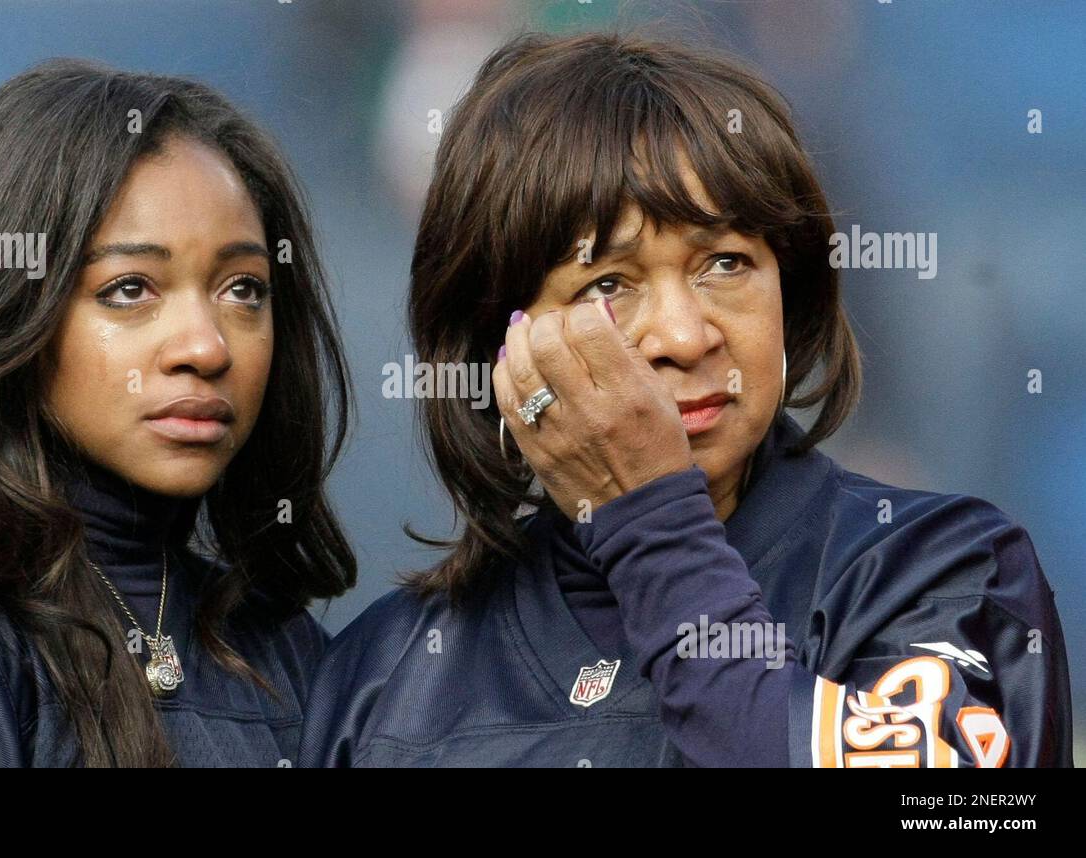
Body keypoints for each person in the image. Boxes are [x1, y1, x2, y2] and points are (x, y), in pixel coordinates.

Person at [300, 32, 1072, 767]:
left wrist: (651, 528)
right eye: (608, 284)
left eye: (727, 264)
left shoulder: (945, 575)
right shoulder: (384, 676)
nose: (684, 334)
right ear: (502, 348)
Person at [0, 59, 354, 767]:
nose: (206, 347)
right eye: (129, 289)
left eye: (243, 289)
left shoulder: (293, 653)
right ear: (10, 317)